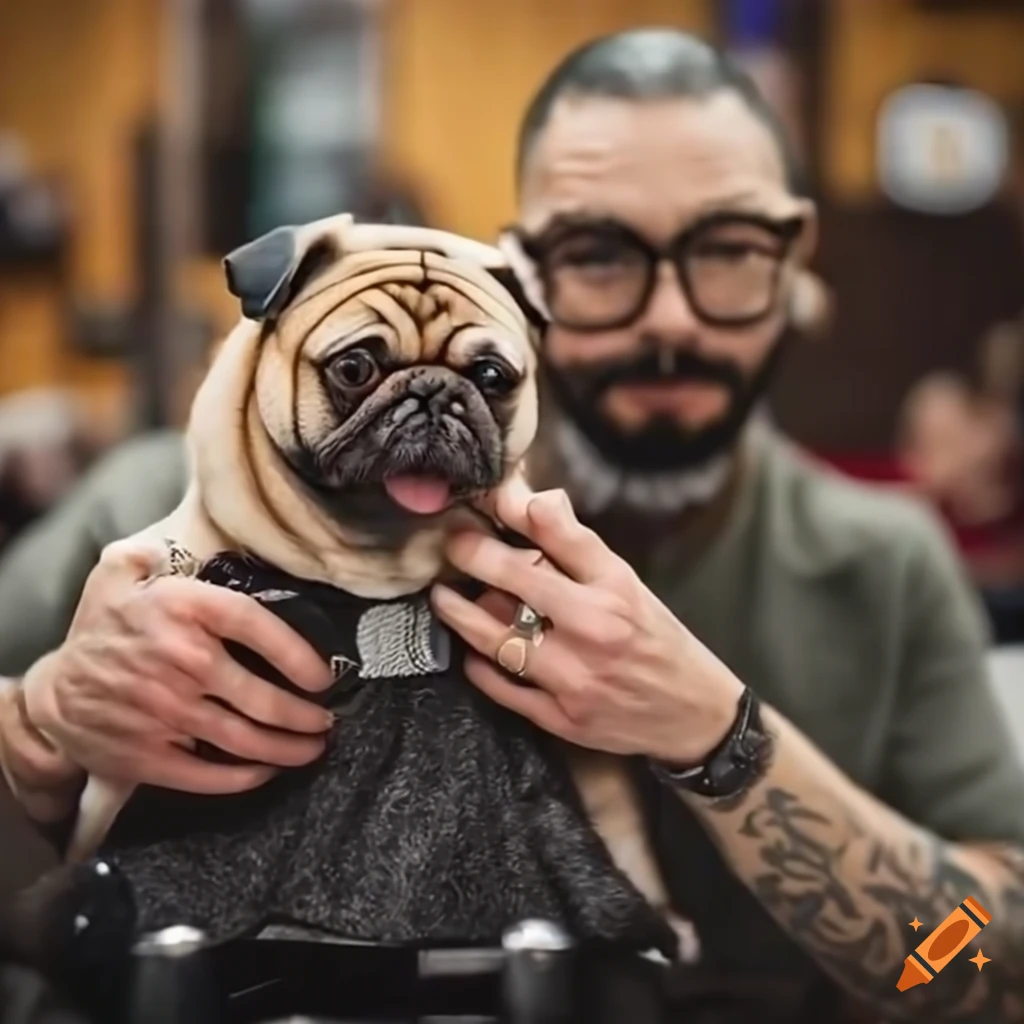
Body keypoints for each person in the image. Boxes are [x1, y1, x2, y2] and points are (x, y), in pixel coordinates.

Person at [0, 28, 1023, 1023]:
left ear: (792, 263)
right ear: (522, 274)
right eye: (599, 255)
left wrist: (727, 743)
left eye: (727, 249)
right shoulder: (168, 509)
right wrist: (47, 727)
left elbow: (994, 955)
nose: (669, 317)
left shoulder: (883, 569)